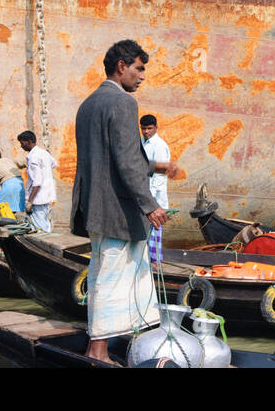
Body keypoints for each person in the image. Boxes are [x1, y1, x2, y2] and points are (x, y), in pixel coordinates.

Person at [71, 39, 167, 363]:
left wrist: (153, 169)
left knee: (102, 274)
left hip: (93, 208)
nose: (142, 76)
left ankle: (100, 346)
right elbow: (126, 161)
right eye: (139, 69)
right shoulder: (123, 103)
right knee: (113, 278)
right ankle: (98, 351)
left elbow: (104, 158)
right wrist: (150, 204)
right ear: (122, 66)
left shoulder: (87, 104)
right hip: (117, 211)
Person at [139, 114, 172, 263]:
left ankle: (155, 265)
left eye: (149, 128)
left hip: (154, 199)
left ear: (156, 128)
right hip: (143, 197)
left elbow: (159, 176)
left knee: (154, 233)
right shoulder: (140, 143)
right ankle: (144, 263)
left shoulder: (159, 146)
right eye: (143, 128)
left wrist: (150, 201)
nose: (146, 132)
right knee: (144, 233)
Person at [18, 131, 57, 232]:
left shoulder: (33, 157)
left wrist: (30, 201)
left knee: (39, 227)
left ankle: (44, 246)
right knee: (45, 223)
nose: (21, 146)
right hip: (47, 194)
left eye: (22, 143)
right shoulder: (43, 153)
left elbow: (37, 181)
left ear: (29, 141)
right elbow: (54, 164)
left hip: (38, 198)